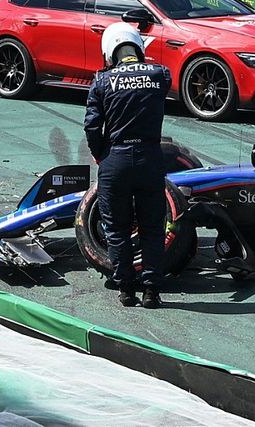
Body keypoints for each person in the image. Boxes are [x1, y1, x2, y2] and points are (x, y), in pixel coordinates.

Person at [84, 23, 172, 309]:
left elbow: (92, 126)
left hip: (115, 159)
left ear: (109, 52)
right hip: (150, 156)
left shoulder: (101, 80)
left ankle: (126, 290)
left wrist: (101, 155)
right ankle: (151, 291)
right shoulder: (160, 75)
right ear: (138, 47)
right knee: (153, 228)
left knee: (117, 228)